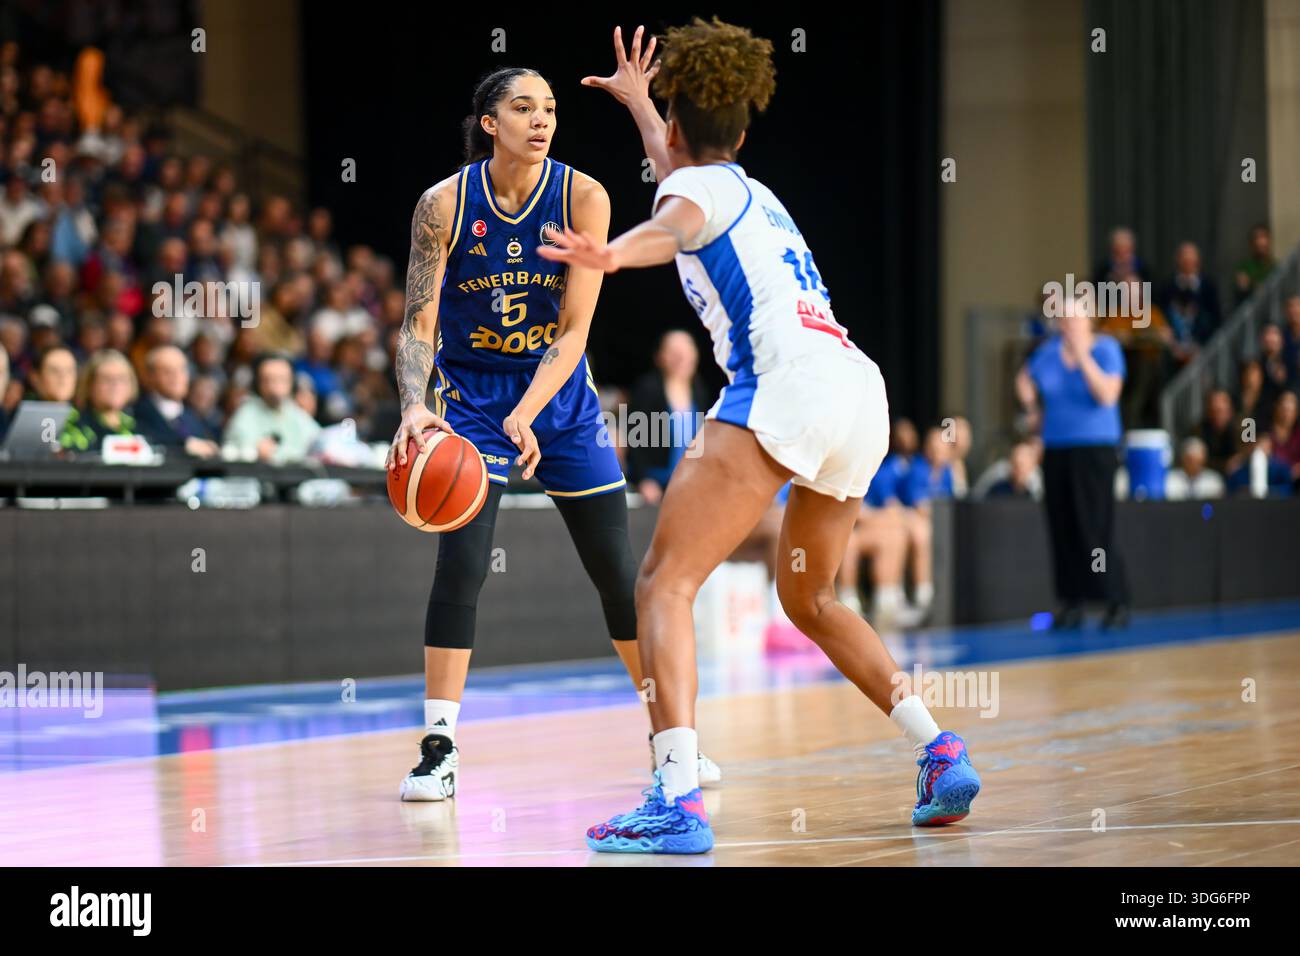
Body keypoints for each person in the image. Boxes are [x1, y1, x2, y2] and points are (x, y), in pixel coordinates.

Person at [542, 20, 980, 853]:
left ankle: (676, 798)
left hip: (786, 387)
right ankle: (938, 747)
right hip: (858, 390)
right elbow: (681, 190)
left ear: (681, 127)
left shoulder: (696, 198)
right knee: (810, 597)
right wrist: (645, 107)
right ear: (740, 132)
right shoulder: (753, 193)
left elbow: (668, 224)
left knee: (663, 584)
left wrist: (608, 255)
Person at [384, 65, 720, 804]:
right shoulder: (443, 204)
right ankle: (438, 748)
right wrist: (414, 404)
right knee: (462, 565)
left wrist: (530, 411)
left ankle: (673, 742)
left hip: (559, 398)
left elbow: (574, 332)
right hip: (471, 399)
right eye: (523, 107)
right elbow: (417, 321)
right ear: (490, 123)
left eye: (551, 109)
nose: (541, 120)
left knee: (616, 570)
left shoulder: (584, 196)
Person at [1015, 292, 1130, 630]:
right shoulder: (1047, 353)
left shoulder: (1106, 349)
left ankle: (1114, 598)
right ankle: (1071, 601)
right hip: (1057, 448)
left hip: (1095, 450)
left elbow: (1107, 394)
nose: (1066, 325)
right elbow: (1024, 380)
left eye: (1073, 318)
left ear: (1088, 319)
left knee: (1094, 527)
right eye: (1062, 319)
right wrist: (1031, 405)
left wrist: (1082, 357)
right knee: (1061, 526)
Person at [625, 328, 710, 504]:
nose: (681, 358)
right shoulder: (648, 389)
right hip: (656, 482)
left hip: (689, 482)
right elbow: (633, 439)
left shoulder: (699, 391)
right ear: (660, 357)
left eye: (686, 352)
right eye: (674, 352)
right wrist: (644, 480)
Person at [223, 352, 321, 463]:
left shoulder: (296, 413)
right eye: (268, 380)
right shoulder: (245, 414)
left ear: (291, 383)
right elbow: (232, 453)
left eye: (282, 379)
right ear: (258, 384)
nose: (275, 387)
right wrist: (255, 453)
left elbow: (319, 441)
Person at [133, 344, 221, 457]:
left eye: (182, 369)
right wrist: (184, 448)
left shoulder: (193, 417)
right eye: (167, 371)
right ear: (150, 377)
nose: (176, 377)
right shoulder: (137, 415)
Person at [59, 348, 138, 452]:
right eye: (106, 379)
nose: (115, 385)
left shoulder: (138, 425)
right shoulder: (73, 424)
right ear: (89, 385)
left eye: (122, 378)